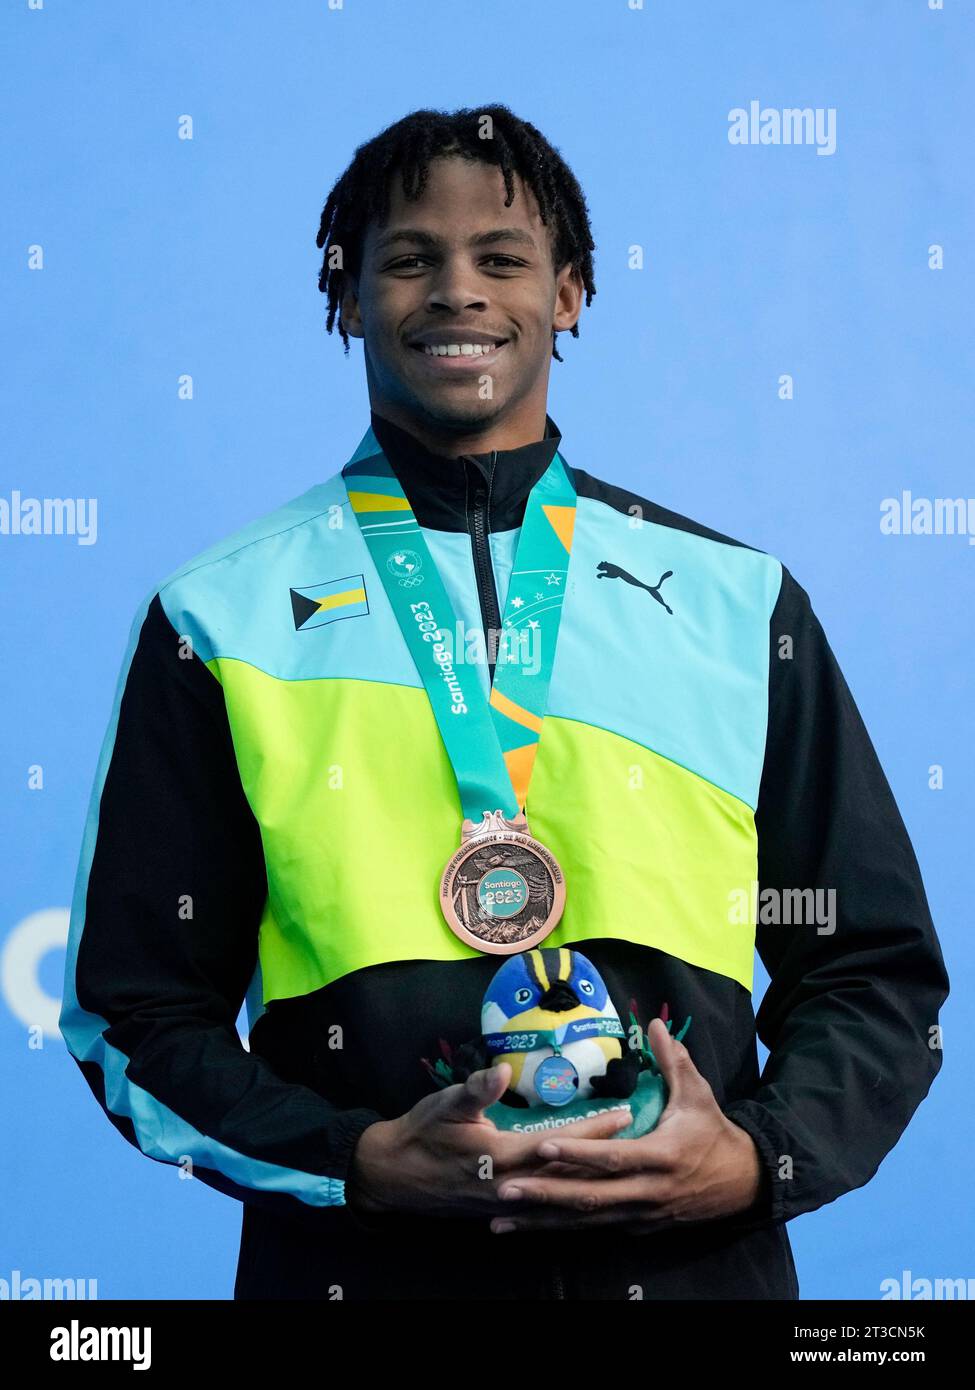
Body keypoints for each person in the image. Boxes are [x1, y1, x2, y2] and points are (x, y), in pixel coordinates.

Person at [60, 104, 950, 1301]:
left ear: (571, 292)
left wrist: (754, 1156)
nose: (457, 292)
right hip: (359, 1277)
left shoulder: (740, 602)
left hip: (696, 1279)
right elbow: (135, 1011)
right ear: (345, 297)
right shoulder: (218, 616)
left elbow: (873, 968)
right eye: (410, 259)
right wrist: (352, 1162)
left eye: (504, 258)